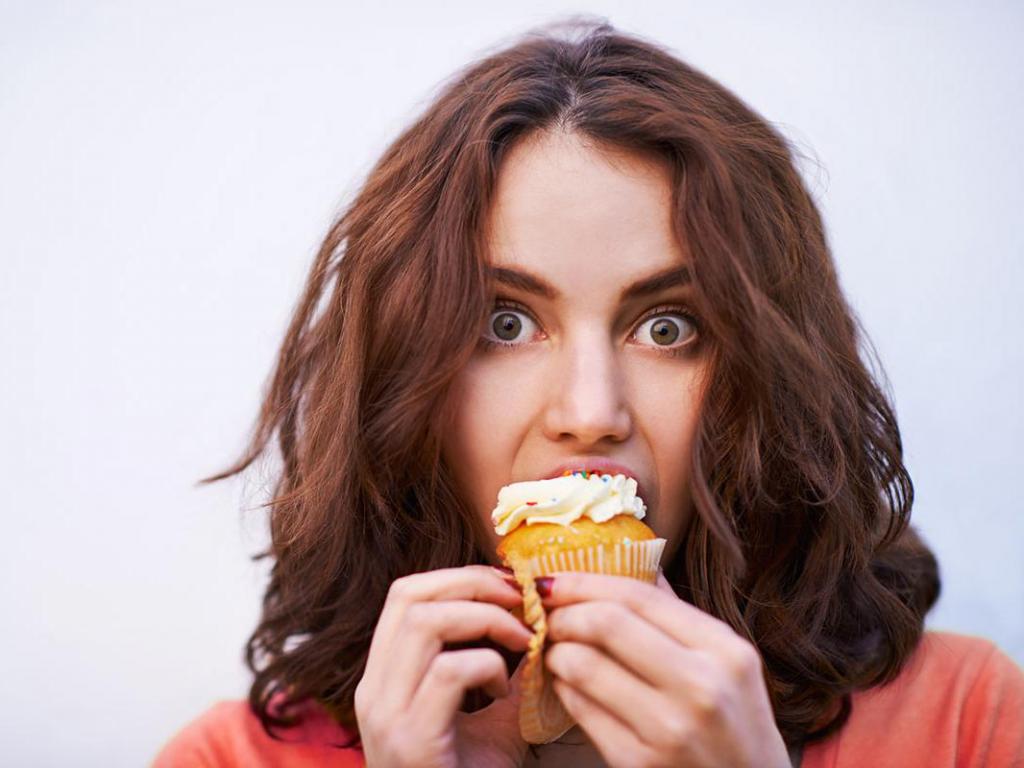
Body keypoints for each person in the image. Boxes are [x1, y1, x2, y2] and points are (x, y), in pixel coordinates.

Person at [152, 18, 1024, 768]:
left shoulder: (966, 721)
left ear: (766, 379)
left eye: (669, 328)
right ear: (401, 372)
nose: (589, 414)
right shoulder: (227, 758)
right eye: (504, 324)